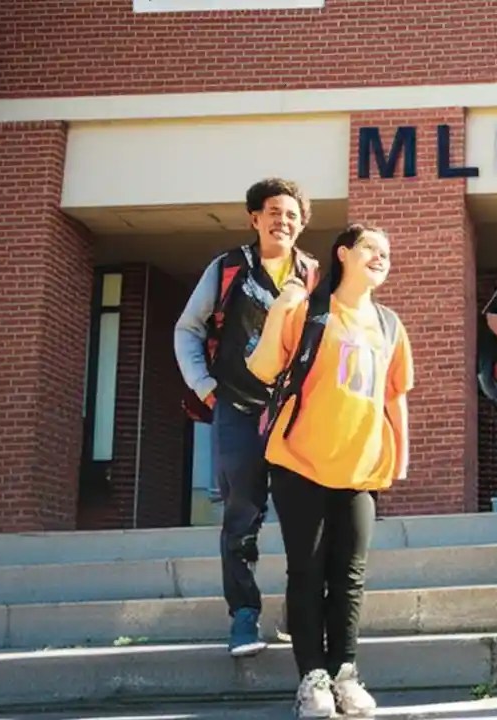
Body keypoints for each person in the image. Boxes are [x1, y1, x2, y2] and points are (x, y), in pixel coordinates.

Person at [246, 223, 414, 719]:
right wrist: (280, 307)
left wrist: (399, 455)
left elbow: (394, 395)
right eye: (370, 249)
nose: (381, 257)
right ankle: (312, 680)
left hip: (361, 467)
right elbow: (261, 368)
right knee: (308, 571)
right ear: (343, 254)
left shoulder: (389, 325)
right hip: (301, 462)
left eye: (387, 252)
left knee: (350, 576)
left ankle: (345, 672)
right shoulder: (309, 310)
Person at [174, 177, 319, 656]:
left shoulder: (314, 275)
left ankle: (304, 616)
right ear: (255, 217)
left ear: (302, 224)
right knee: (242, 516)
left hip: (296, 416)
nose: (284, 221)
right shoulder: (229, 268)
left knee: (306, 517)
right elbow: (188, 329)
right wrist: (204, 386)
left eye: (292, 215)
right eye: (274, 212)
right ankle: (244, 616)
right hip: (236, 409)